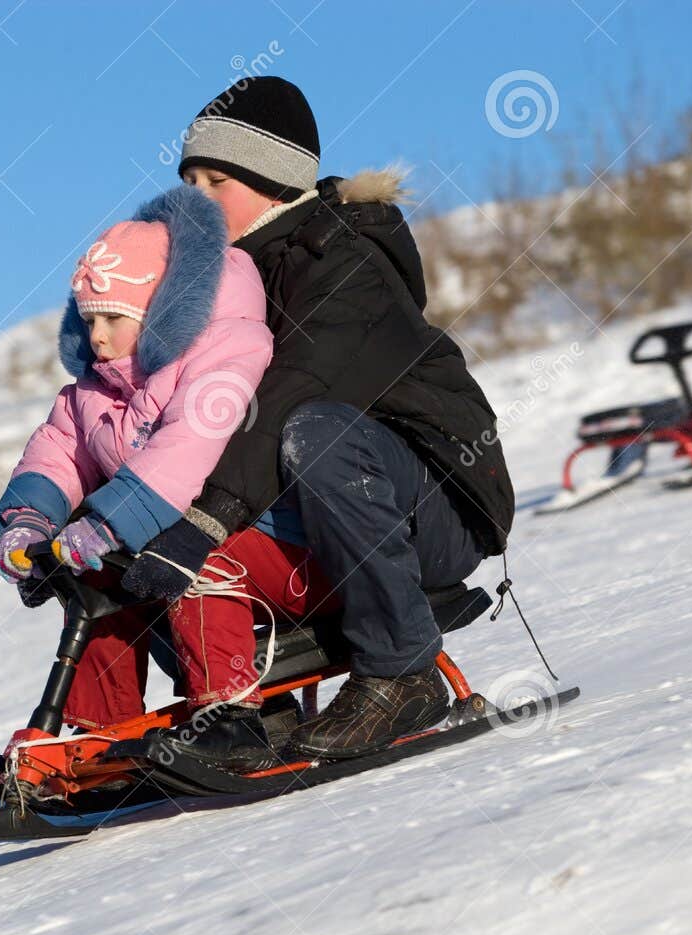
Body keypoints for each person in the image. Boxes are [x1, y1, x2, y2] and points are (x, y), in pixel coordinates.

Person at [121, 77, 516, 764]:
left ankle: (402, 672)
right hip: (323, 514)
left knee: (313, 429)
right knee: (143, 532)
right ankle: (246, 706)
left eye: (218, 180)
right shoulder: (219, 284)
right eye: (189, 181)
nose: (197, 200)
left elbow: (287, 397)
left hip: (434, 504)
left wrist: (208, 515)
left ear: (273, 180)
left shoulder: (345, 263)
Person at [0, 185, 273, 730]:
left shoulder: (224, 352)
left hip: (265, 539)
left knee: (184, 549)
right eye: (88, 319)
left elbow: (188, 444)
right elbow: (57, 456)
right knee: (86, 570)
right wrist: (28, 521)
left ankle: (230, 717)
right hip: (175, 534)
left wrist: (110, 522)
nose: (96, 337)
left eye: (112, 319)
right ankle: (100, 735)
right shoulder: (93, 393)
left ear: (158, 311)